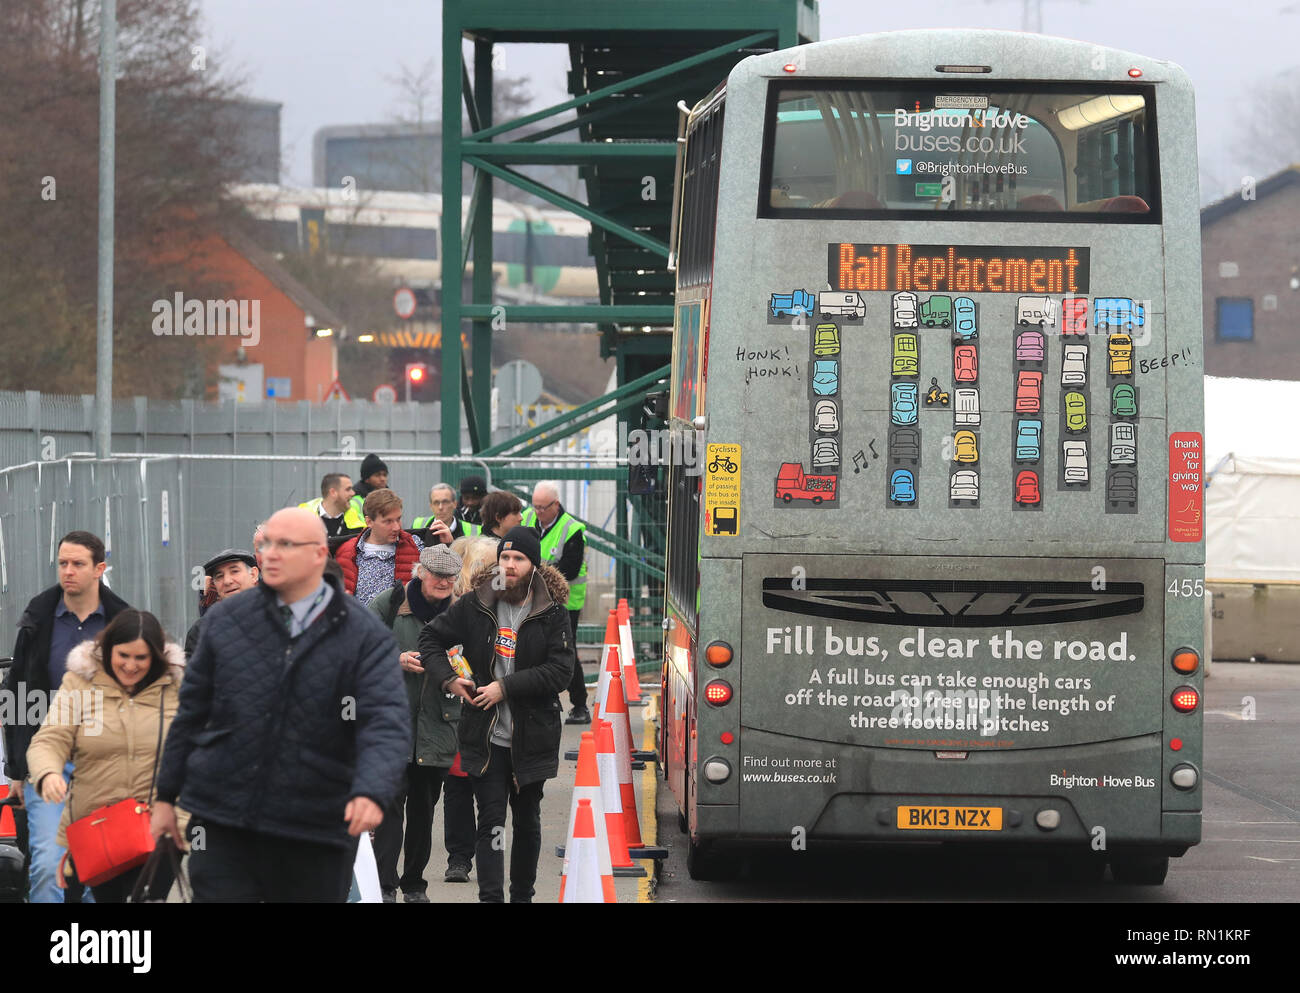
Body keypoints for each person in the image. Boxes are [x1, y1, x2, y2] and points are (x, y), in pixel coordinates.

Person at [151, 507, 409, 903]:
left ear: (319, 554)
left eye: (286, 545)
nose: (271, 554)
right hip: (224, 819)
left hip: (315, 823)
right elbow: (192, 713)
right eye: (267, 544)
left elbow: (385, 720)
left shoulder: (361, 632)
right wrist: (166, 796)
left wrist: (371, 790)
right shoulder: (222, 623)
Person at [418, 526, 574, 903]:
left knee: (526, 822)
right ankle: (492, 898)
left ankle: (522, 895)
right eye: (504, 557)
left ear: (533, 566)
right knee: (491, 822)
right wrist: (449, 680)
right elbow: (430, 640)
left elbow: (561, 671)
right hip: (486, 737)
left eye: (518, 558)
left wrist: (506, 687)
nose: (509, 564)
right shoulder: (476, 604)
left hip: (531, 735)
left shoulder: (551, 612)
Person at [2, 530, 128, 903]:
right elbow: (18, 693)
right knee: (46, 867)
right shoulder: (38, 620)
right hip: (49, 761)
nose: (68, 571)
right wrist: (17, 772)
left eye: (78, 564)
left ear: (99, 569)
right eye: (62, 563)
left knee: (98, 870)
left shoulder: (123, 623)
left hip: (105, 764)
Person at [26, 610, 185, 903]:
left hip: (160, 825)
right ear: (108, 649)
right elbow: (50, 738)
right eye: (123, 655)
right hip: (100, 830)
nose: (131, 666)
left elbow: (197, 746)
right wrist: (48, 773)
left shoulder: (177, 687)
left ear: (157, 657)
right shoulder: (80, 684)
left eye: (142, 658)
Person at [368, 545, 475, 901]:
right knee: (388, 810)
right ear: (420, 573)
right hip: (391, 725)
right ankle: (385, 887)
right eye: (437, 574)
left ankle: (414, 884)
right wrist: (394, 658)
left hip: (440, 724)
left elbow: (480, 657)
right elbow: (359, 647)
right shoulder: (390, 602)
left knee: (422, 812)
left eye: (450, 576)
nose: (444, 581)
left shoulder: (464, 611)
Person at [521, 481, 590, 723]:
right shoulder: (527, 517)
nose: (537, 512)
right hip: (531, 598)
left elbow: (570, 569)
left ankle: (579, 704)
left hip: (565, 602)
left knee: (565, 650)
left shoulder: (572, 529)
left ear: (556, 505)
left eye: (543, 508)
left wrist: (535, 573)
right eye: (535, 506)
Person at [335, 489, 442, 606]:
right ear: (369, 521)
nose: (396, 527)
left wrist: (446, 544)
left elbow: (442, 578)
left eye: (398, 519)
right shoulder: (347, 551)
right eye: (388, 521)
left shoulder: (415, 545)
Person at [184, 549, 259, 657]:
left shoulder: (278, 617)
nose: (227, 581)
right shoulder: (201, 631)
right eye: (219, 576)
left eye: (234, 571)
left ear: (253, 574)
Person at [412, 483, 481, 540]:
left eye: (445, 502)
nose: (440, 507)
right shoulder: (417, 525)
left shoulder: (474, 531)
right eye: (436, 503)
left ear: (455, 504)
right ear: (431, 506)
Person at [300, 473, 355, 537]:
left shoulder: (355, 520)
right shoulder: (303, 518)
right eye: (348, 489)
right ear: (333, 492)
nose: (353, 493)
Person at [344, 454, 390, 531]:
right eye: (377, 475)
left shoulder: (390, 499)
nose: (382, 478)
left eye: (385, 475)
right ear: (366, 479)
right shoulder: (354, 501)